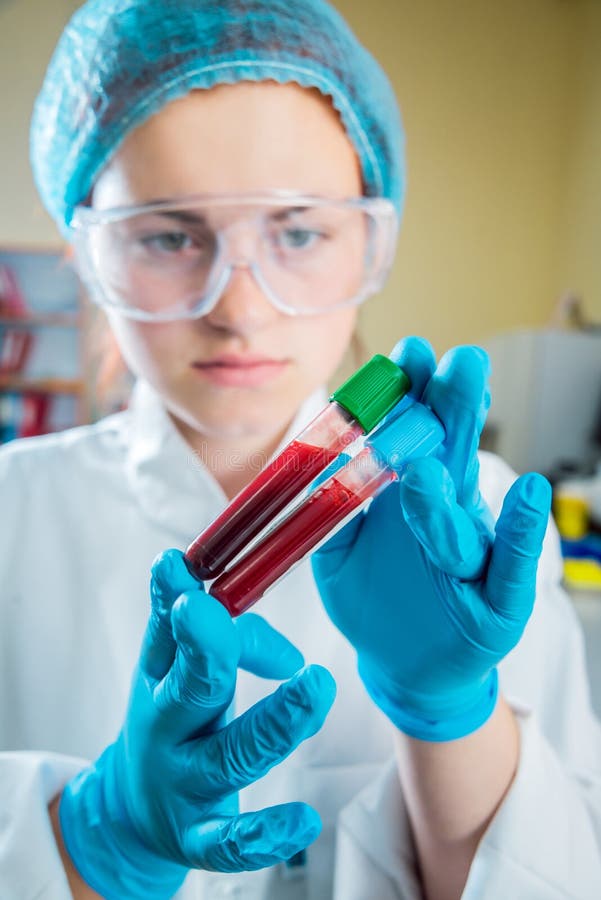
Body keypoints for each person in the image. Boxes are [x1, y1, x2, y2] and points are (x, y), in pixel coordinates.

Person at [1, 1, 600, 898]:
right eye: (169, 235)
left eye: (298, 231)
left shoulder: (480, 522)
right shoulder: (14, 514)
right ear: (91, 257)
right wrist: (87, 845)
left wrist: (449, 718)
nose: (238, 309)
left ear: (371, 238)